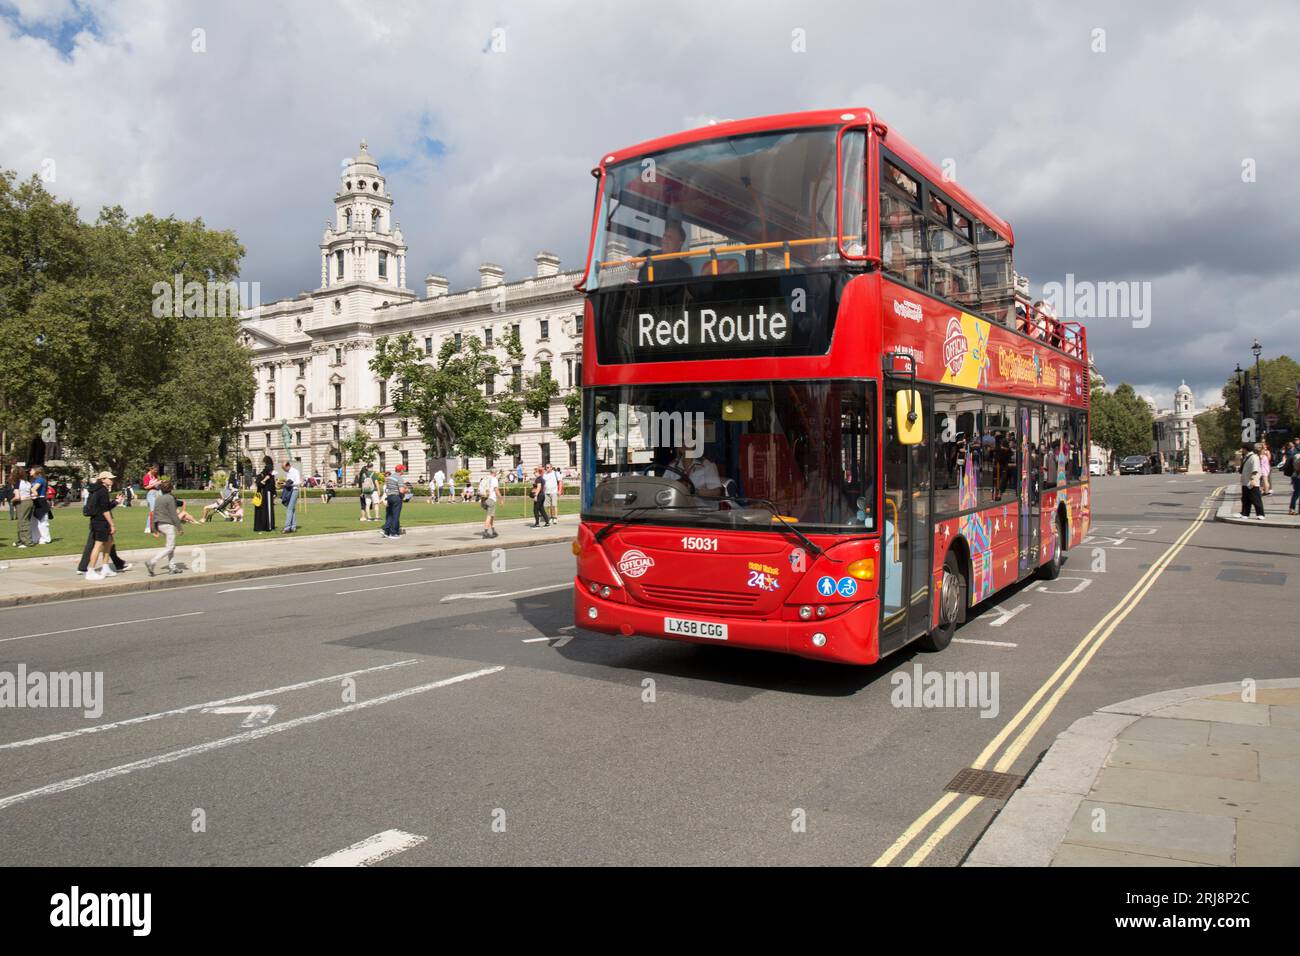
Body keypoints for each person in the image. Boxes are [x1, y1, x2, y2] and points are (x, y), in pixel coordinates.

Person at [84, 471, 118, 580]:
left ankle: (105, 567)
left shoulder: (98, 490)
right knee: (98, 546)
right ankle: (91, 570)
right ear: (103, 479)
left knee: (109, 542)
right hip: (101, 521)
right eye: (110, 478)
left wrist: (115, 502)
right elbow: (105, 510)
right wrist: (112, 524)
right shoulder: (102, 491)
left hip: (97, 520)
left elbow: (104, 505)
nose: (112, 480)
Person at [145, 479, 183, 576]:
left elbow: (153, 513)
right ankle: (152, 562)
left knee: (171, 547)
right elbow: (173, 514)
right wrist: (179, 527)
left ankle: (172, 567)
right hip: (168, 524)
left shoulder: (158, 498)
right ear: (171, 488)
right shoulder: (170, 498)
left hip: (159, 524)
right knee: (170, 547)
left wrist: (154, 528)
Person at [10, 466, 34, 548]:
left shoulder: (17, 482)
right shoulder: (27, 482)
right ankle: (20, 541)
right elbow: (32, 493)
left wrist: (11, 501)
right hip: (29, 502)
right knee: (24, 521)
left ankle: (27, 542)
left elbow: (17, 497)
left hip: (22, 503)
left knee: (23, 522)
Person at [1240, 443, 1265, 520]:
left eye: (1242, 448)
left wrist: (1252, 479)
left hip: (1251, 482)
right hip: (1245, 481)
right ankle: (1245, 513)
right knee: (1245, 499)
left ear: (1246, 449)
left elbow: (1255, 470)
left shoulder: (1254, 457)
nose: (1241, 450)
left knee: (1256, 498)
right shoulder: (1246, 457)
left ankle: (1260, 514)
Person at [381, 464, 406, 539]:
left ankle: (386, 530)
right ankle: (393, 533)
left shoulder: (390, 477)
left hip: (389, 497)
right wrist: (406, 490)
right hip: (396, 497)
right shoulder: (399, 478)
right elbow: (401, 490)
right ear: (401, 470)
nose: (403, 471)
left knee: (390, 514)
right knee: (395, 515)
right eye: (403, 470)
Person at [29, 465, 51, 544]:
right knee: (33, 521)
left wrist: (31, 490)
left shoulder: (41, 480)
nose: (30, 471)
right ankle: (35, 538)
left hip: (40, 501)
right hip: (35, 501)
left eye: (31, 470)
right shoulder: (35, 480)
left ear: (37, 471)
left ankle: (46, 538)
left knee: (42, 521)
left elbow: (34, 489)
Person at [253, 456, 277, 532]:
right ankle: (260, 526)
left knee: (269, 511)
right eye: (269, 471)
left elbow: (273, 486)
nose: (270, 473)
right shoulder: (260, 475)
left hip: (269, 496)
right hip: (261, 496)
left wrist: (274, 493)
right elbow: (259, 485)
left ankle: (269, 526)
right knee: (261, 512)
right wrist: (265, 479)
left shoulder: (271, 476)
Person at [281, 459, 302, 533]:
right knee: (292, 509)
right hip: (289, 491)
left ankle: (287, 527)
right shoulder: (288, 473)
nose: (284, 470)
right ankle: (293, 527)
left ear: (287, 466)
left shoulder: (295, 471)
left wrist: (290, 484)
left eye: (284, 469)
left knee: (289, 509)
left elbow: (299, 482)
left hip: (294, 491)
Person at [480, 468, 500, 538]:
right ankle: (485, 532)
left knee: (491, 515)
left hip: (483, 498)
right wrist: (501, 498)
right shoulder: (494, 479)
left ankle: (493, 530)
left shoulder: (485, 478)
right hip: (491, 499)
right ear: (495, 473)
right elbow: (496, 489)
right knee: (489, 516)